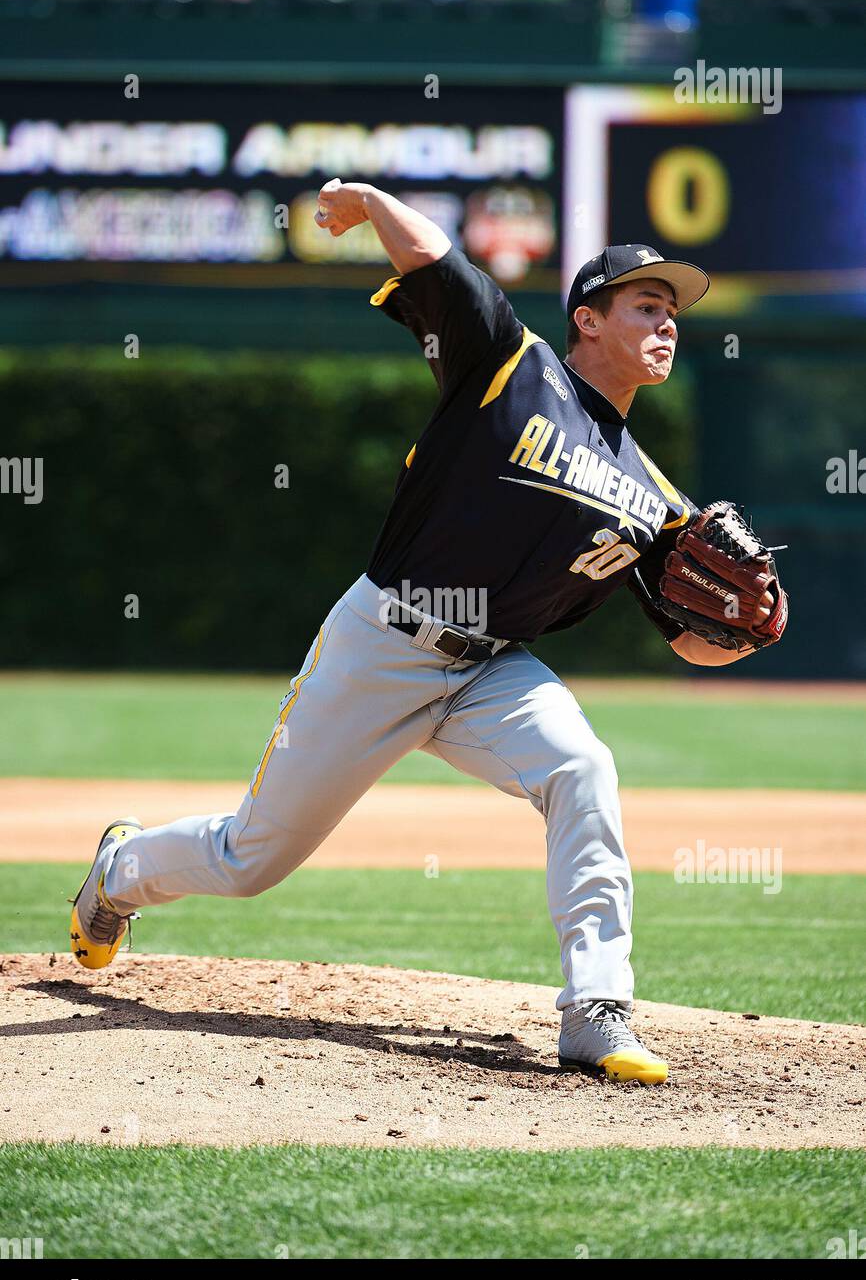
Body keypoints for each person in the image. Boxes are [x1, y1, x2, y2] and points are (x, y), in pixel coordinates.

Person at [70, 180, 779, 1085]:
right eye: (647, 304)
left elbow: (689, 641)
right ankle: (122, 867)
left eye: (674, 312)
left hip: (491, 672)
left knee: (583, 769)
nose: (667, 323)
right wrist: (368, 199)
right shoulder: (510, 364)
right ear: (588, 321)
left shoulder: (657, 498)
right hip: (385, 643)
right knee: (251, 859)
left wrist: (750, 627)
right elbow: (438, 262)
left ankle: (597, 1009)